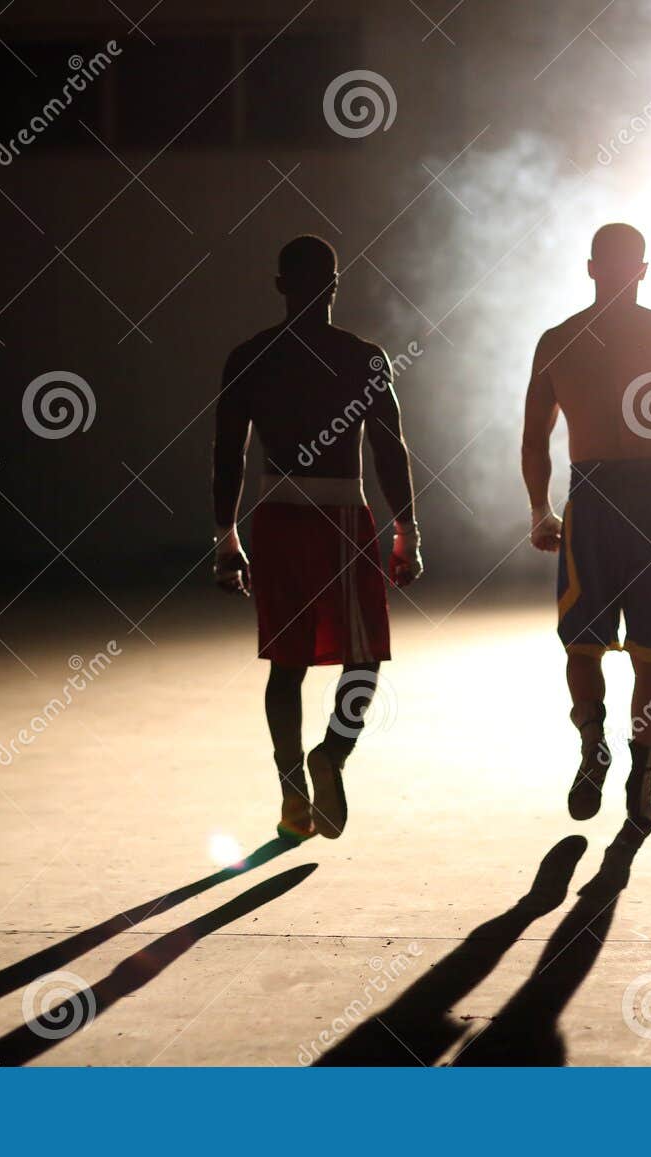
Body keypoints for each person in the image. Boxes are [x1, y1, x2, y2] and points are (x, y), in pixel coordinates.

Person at [212, 235, 422, 841]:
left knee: (287, 665)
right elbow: (390, 450)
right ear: (336, 285)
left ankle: (291, 796)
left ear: (281, 286)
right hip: (342, 521)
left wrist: (225, 537)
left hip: (279, 518)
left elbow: (227, 454)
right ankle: (332, 753)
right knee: (364, 660)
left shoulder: (251, 357)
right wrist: (407, 528)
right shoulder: (363, 358)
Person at [521, 223, 651, 828]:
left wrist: (540, 509)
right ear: (643, 270)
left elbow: (536, 440)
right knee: (648, 655)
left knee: (585, 646)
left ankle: (599, 750)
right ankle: (637, 771)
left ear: (592, 268)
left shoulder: (561, 340)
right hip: (649, 496)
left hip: (601, 497)